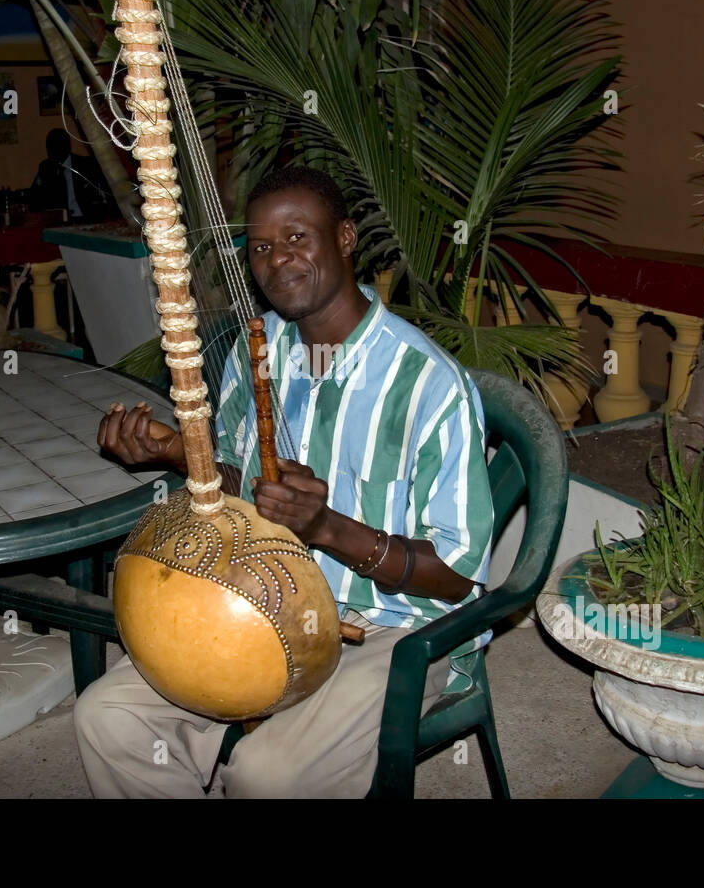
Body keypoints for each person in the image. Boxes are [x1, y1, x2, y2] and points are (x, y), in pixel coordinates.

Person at [75, 165, 494, 797]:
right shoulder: (259, 348)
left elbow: (459, 575)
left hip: (393, 628)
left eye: (298, 237)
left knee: (268, 774)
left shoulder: (427, 386)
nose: (278, 260)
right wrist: (174, 454)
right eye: (262, 247)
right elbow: (250, 491)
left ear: (346, 238)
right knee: (107, 718)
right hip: (264, 598)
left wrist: (326, 528)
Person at [28, 128, 116, 221]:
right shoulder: (46, 167)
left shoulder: (86, 165)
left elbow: (106, 191)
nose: (51, 150)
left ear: (67, 146)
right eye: (49, 146)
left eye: (56, 145)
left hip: (88, 217)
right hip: (60, 221)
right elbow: (34, 197)